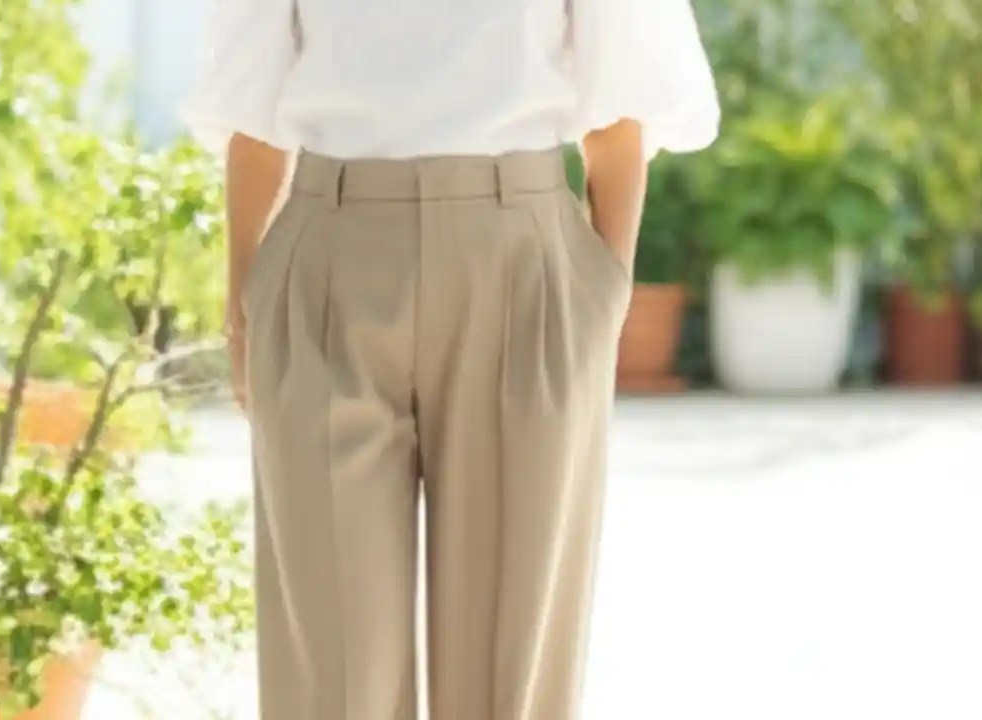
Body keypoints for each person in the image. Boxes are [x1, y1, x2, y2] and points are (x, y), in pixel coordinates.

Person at [184, 1, 718, 718]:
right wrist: (243, 303)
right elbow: (252, 109)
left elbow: (620, 101)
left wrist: (605, 294)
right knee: (335, 675)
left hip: (519, 256)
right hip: (327, 255)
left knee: (511, 668)